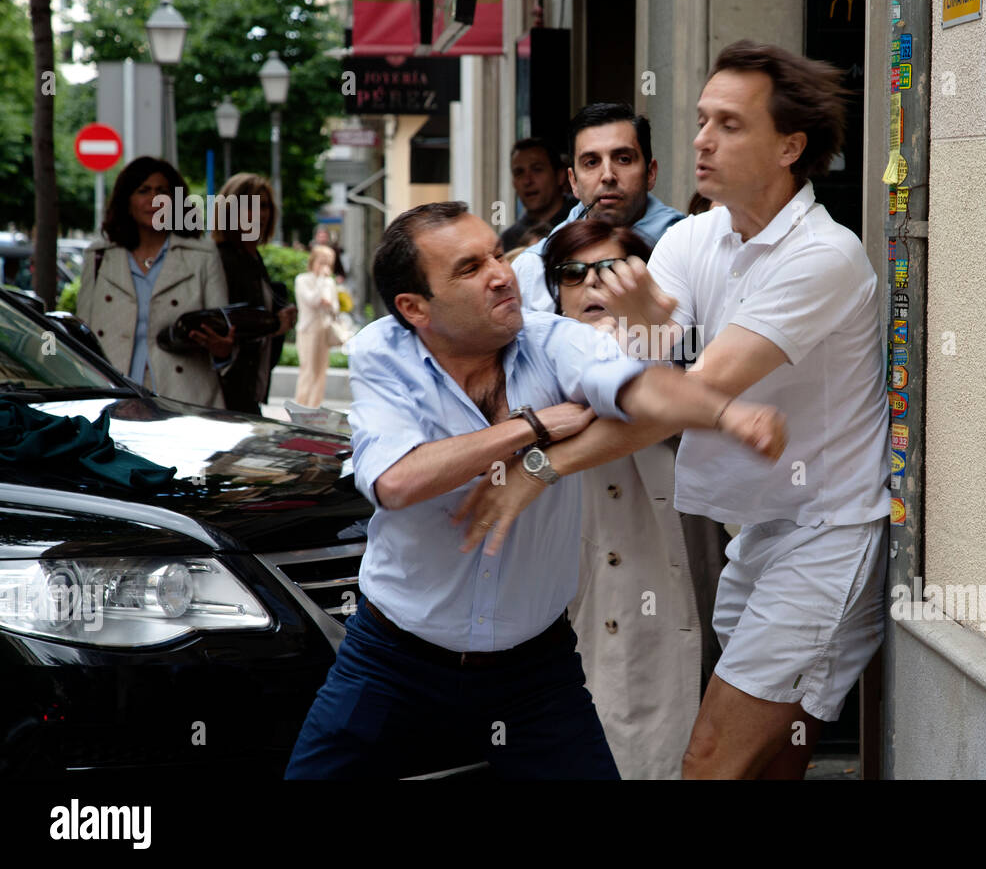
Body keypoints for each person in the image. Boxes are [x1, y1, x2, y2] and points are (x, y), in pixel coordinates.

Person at [463, 40, 891, 779]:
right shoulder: (696, 237)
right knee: (772, 763)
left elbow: (690, 398)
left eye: (729, 123)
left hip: (827, 534)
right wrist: (640, 327)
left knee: (708, 759)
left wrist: (538, 468)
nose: (702, 139)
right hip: (755, 531)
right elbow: (639, 372)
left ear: (789, 146)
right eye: (700, 120)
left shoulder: (824, 256)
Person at [283, 201, 786, 779]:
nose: (501, 274)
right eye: (470, 268)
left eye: (497, 255)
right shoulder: (384, 351)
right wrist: (533, 426)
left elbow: (640, 389)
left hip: (533, 672)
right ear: (414, 307)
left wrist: (725, 413)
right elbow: (397, 481)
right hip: (393, 658)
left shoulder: (554, 340)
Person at [542, 218, 722, 779]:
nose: (592, 283)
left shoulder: (687, 353)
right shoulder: (532, 367)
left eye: (610, 269)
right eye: (573, 273)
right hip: (577, 599)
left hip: (669, 585)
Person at [77, 156, 235, 408]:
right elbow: (82, 336)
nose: (154, 199)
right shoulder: (99, 257)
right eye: (143, 191)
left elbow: (223, 332)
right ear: (127, 201)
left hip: (185, 400)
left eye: (162, 191)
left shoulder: (203, 256)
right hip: (111, 398)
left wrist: (222, 350)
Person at [513, 103, 685, 311]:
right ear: (573, 181)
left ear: (650, 173)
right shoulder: (534, 270)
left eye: (623, 159)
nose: (608, 176)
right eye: (591, 162)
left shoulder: (690, 248)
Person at [213, 173, 297, 415]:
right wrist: (273, 324)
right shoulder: (221, 259)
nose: (259, 214)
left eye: (264, 206)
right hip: (226, 395)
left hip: (249, 391)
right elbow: (224, 321)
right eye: (249, 206)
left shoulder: (253, 257)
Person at [500, 138, 576, 251]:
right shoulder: (508, 240)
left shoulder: (582, 217)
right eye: (519, 173)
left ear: (560, 176)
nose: (527, 181)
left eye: (537, 169)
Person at [293, 244, 338, 407]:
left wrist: (329, 304)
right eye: (322, 261)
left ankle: (314, 408)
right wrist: (321, 280)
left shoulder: (330, 282)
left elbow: (335, 307)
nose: (325, 266)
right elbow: (311, 300)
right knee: (308, 370)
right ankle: (301, 407)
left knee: (321, 372)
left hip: (324, 330)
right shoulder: (302, 280)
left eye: (328, 262)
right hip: (308, 330)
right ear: (313, 261)